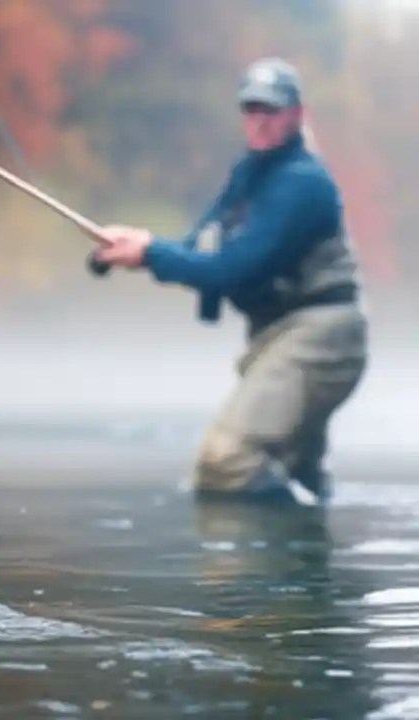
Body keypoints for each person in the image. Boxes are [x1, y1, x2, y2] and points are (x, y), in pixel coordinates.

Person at [92, 57, 369, 504]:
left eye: (271, 110)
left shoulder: (303, 183)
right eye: (251, 109)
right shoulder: (249, 175)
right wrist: (134, 249)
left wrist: (150, 251)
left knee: (227, 462)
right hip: (281, 337)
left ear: (297, 115)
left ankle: (282, 555)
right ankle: (304, 556)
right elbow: (201, 248)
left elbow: (235, 267)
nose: (259, 121)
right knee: (297, 469)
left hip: (319, 339)